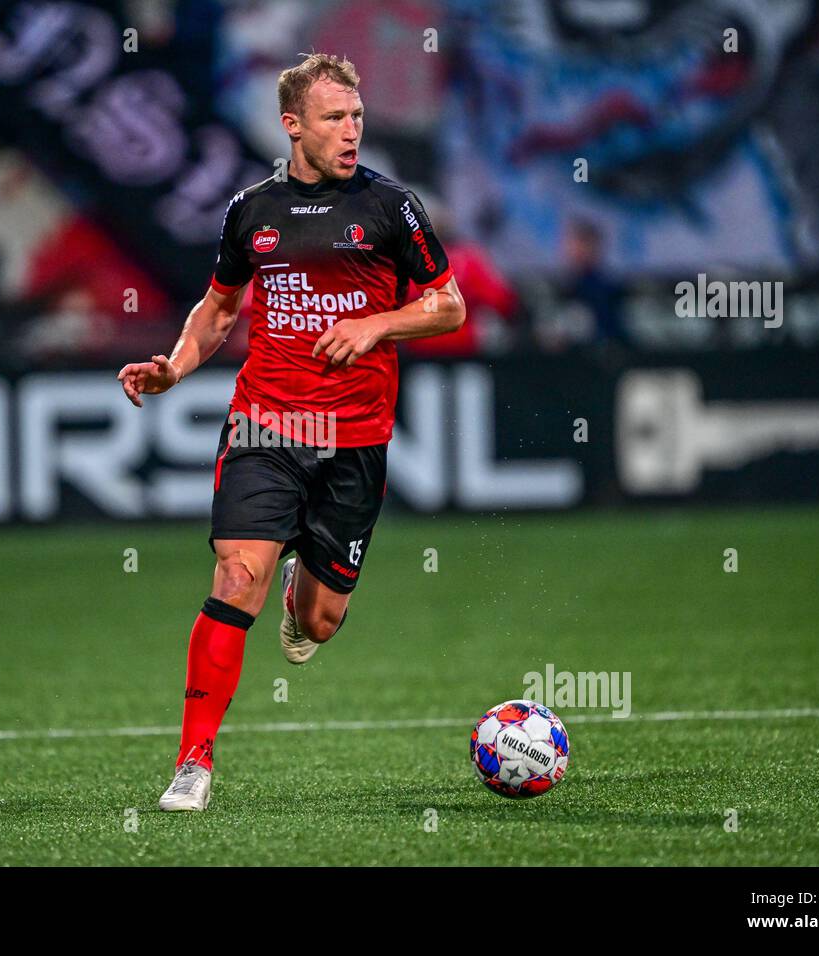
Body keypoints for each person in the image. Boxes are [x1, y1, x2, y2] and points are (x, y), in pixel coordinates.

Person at [116, 53, 465, 811]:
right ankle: (193, 763)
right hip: (266, 426)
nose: (352, 131)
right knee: (235, 576)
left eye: (358, 117)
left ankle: (300, 593)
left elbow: (449, 306)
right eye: (336, 118)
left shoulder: (392, 207)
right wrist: (175, 368)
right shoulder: (252, 211)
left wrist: (377, 324)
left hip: (356, 440)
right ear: (293, 125)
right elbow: (217, 310)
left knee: (320, 620)